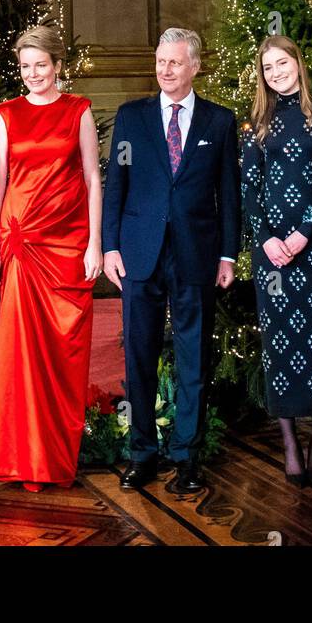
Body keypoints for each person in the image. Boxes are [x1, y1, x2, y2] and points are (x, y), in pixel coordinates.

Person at [103, 27, 240, 495]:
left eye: (175, 63)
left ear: (195, 66)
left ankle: (187, 457)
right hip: (138, 255)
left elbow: (229, 194)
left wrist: (227, 254)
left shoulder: (220, 123)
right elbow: (115, 186)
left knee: (193, 360)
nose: (164, 70)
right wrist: (110, 247)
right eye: (160, 62)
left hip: (197, 256)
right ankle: (141, 453)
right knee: (139, 357)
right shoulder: (131, 117)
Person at [0, 25, 102, 490]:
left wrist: (95, 243)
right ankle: (18, 459)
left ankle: (52, 457)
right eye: (25, 66)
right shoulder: (5, 113)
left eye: (40, 65)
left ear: (58, 65)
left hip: (68, 241)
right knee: (18, 353)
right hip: (20, 241)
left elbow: (92, 179)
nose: (32, 74)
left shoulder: (78, 110)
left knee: (63, 350)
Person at [241, 36, 312, 489]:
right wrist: (267, 241)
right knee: (279, 347)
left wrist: (303, 233)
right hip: (272, 255)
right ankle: (290, 445)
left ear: (299, 63)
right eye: (267, 67)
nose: (276, 72)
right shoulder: (257, 124)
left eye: (283, 63)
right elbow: (249, 189)